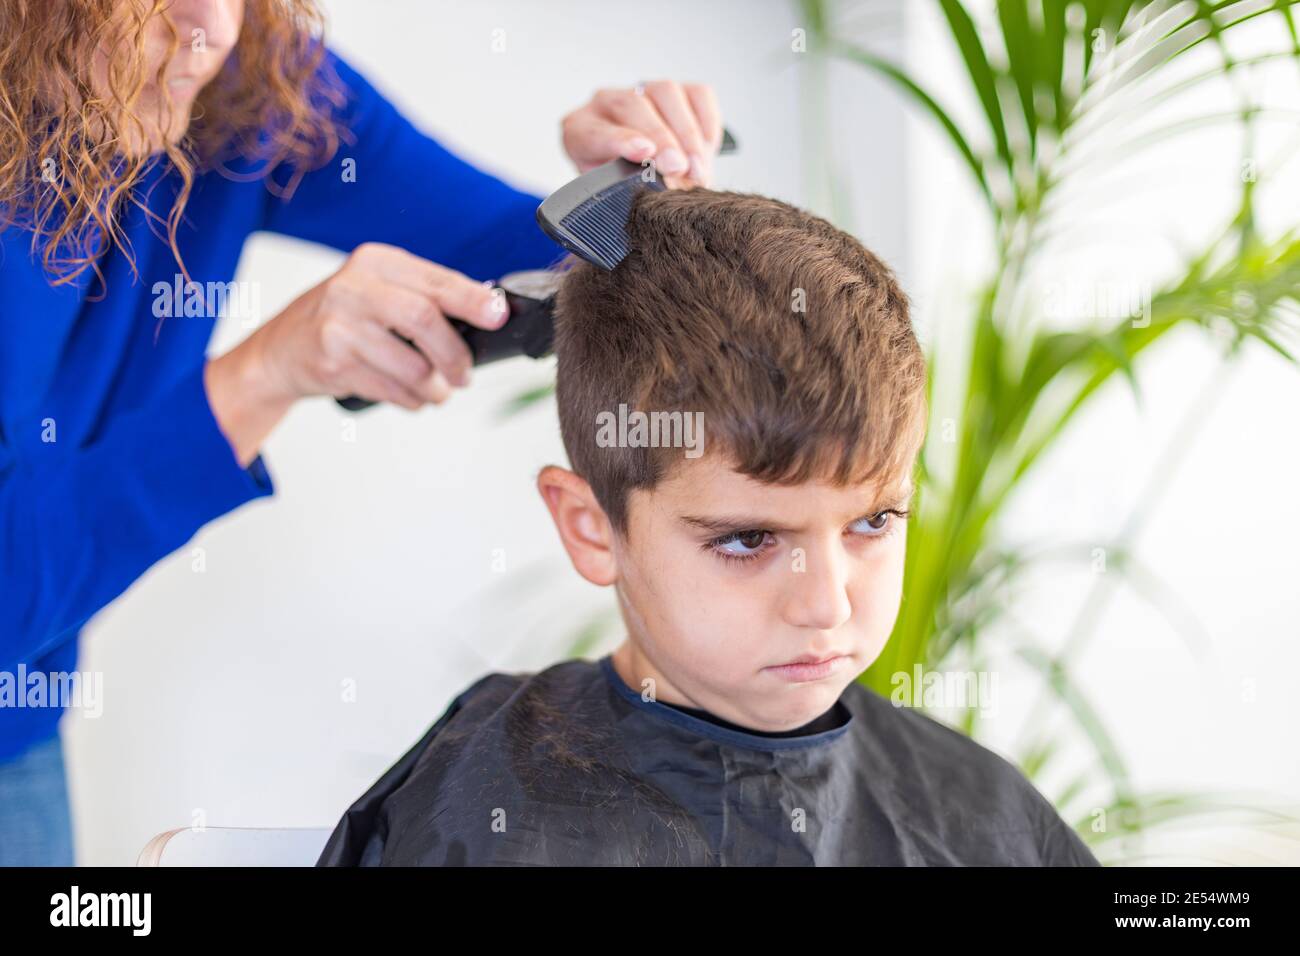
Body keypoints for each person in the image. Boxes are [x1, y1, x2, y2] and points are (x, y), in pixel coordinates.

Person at [0, 0, 724, 866]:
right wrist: (261, 376)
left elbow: (533, 265)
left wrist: (628, 194)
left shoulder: (243, 82)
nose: (212, 27)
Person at [316, 187, 1103, 866]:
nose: (826, 604)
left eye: (873, 520)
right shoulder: (489, 806)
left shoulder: (986, 813)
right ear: (592, 528)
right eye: (748, 539)